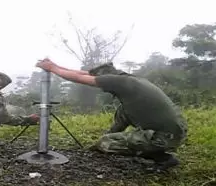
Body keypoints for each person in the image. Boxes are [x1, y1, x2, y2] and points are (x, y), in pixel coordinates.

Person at [35, 58, 188, 171]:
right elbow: (83, 73)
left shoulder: (118, 82)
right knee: (123, 111)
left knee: (105, 144)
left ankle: (163, 158)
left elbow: (78, 78)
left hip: (165, 136)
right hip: (172, 130)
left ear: (107, 78)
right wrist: (54, 65)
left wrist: (52, 68)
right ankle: (113, 137)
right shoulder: (128, 80)